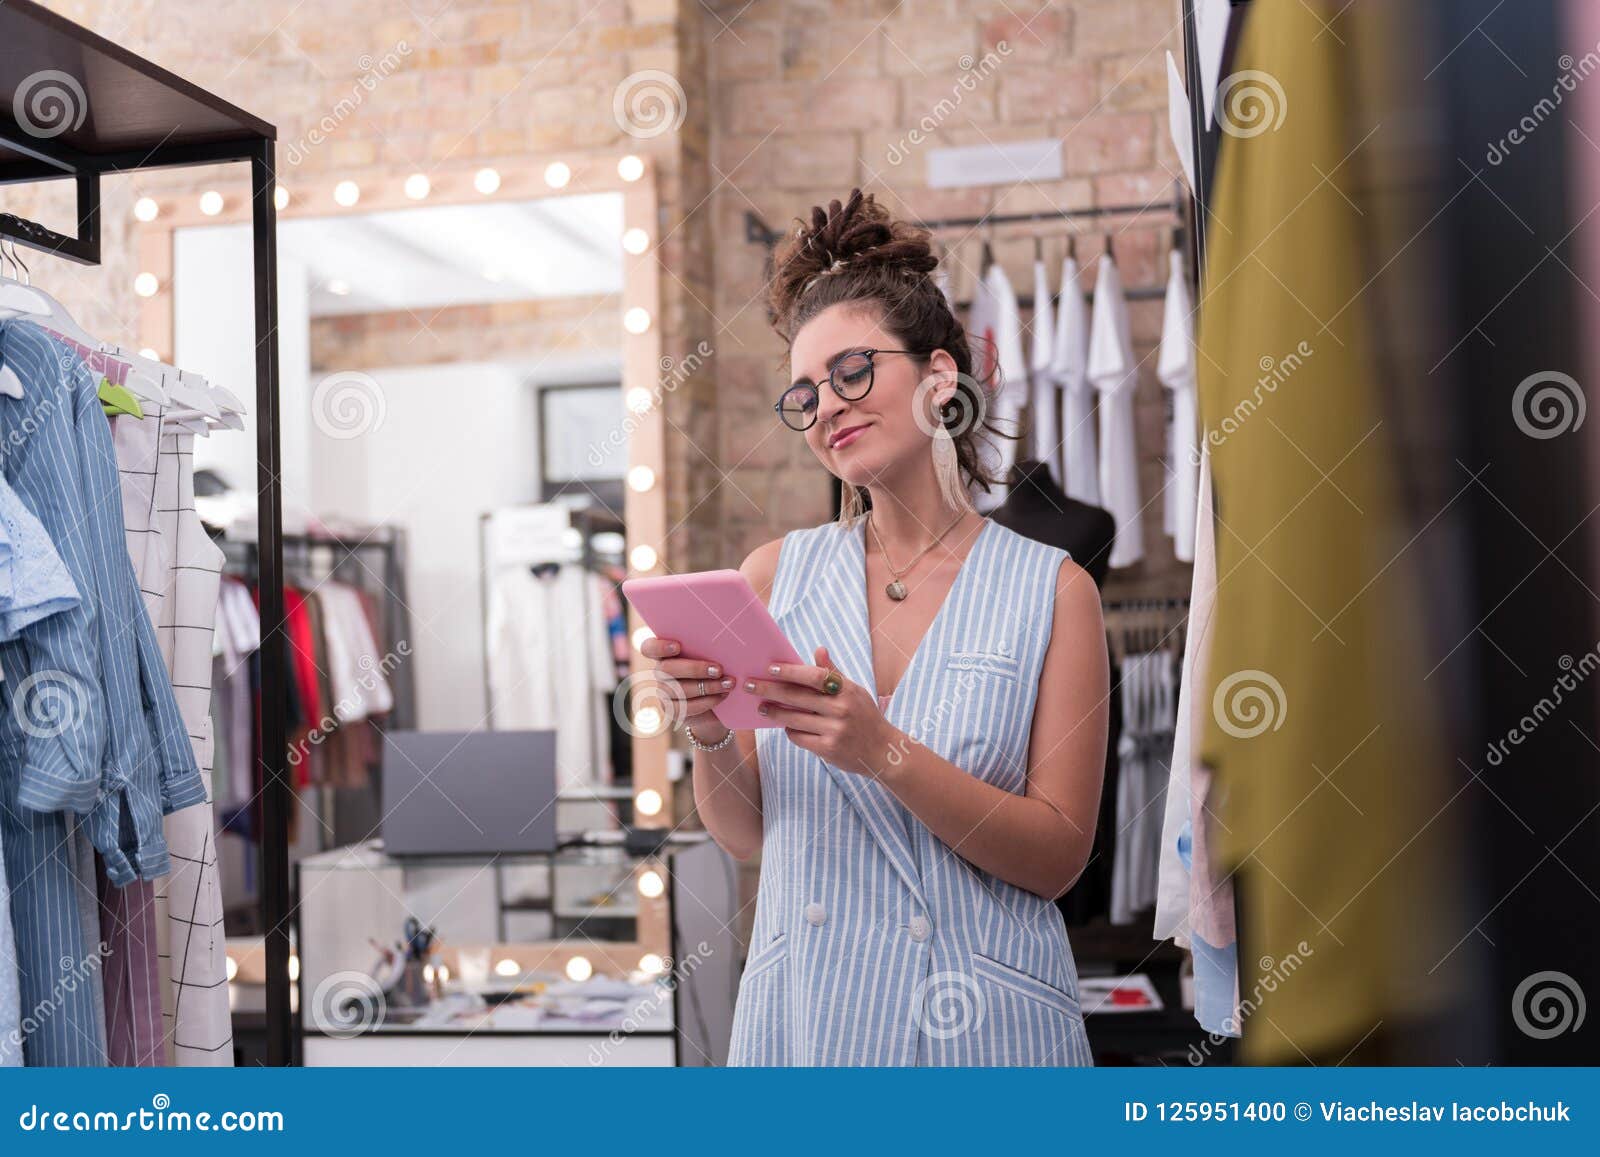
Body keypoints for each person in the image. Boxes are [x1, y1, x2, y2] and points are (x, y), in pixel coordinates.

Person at [640, 189, 1108, 1066]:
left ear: (940, 376)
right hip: (811, 1020)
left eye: (853, 372)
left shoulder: (1053, 590)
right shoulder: (774, 575)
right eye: (805, 392)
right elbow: (749, 834)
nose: (826, 406)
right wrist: (705, 727)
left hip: (984, 1032)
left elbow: (1056, 857)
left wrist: (880, 750)